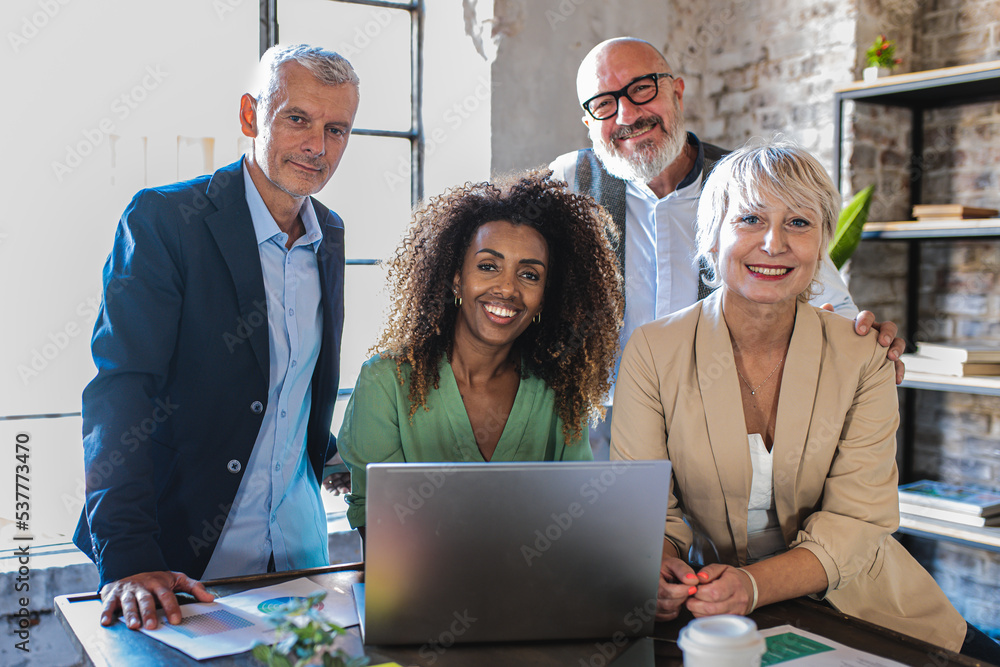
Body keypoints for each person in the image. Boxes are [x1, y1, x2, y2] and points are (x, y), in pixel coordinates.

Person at [610, 141, 1000, 660]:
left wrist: (751, 586)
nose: (774, 244)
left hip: (869, 605)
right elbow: (650, 511)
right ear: (710, 236)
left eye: (798, 222)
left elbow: (859, 520)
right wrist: (658, 565)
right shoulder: (653, 352)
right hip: (707, 609)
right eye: (750, 218)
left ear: (821, 245)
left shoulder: (864, 354)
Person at [73, 44, 360, 631]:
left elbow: (285, 387)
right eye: (298, 119)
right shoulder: (162, 221)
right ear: (251, 115)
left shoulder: (329, 235)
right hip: (183, 568)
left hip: (303, 562)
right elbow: (121, 392)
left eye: (337, 129)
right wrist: (127, 556)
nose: (318, 146)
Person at [549, 38, 906, 454]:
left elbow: (830, 303)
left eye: (642, 88)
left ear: (676, 91)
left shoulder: (747, 185)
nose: (627, 114)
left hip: (722, 431)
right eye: (604, 104)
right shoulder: (568, 182)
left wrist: (865, 343)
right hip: (598, 434)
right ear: (589, 122)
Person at [337, 170, 623, 533]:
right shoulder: (385, 383)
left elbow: (577, 522)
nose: (507, 289)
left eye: (530, 275)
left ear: (546, 296)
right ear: (457, 278)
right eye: (488, 267)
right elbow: (376, 526)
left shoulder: (560, 392)